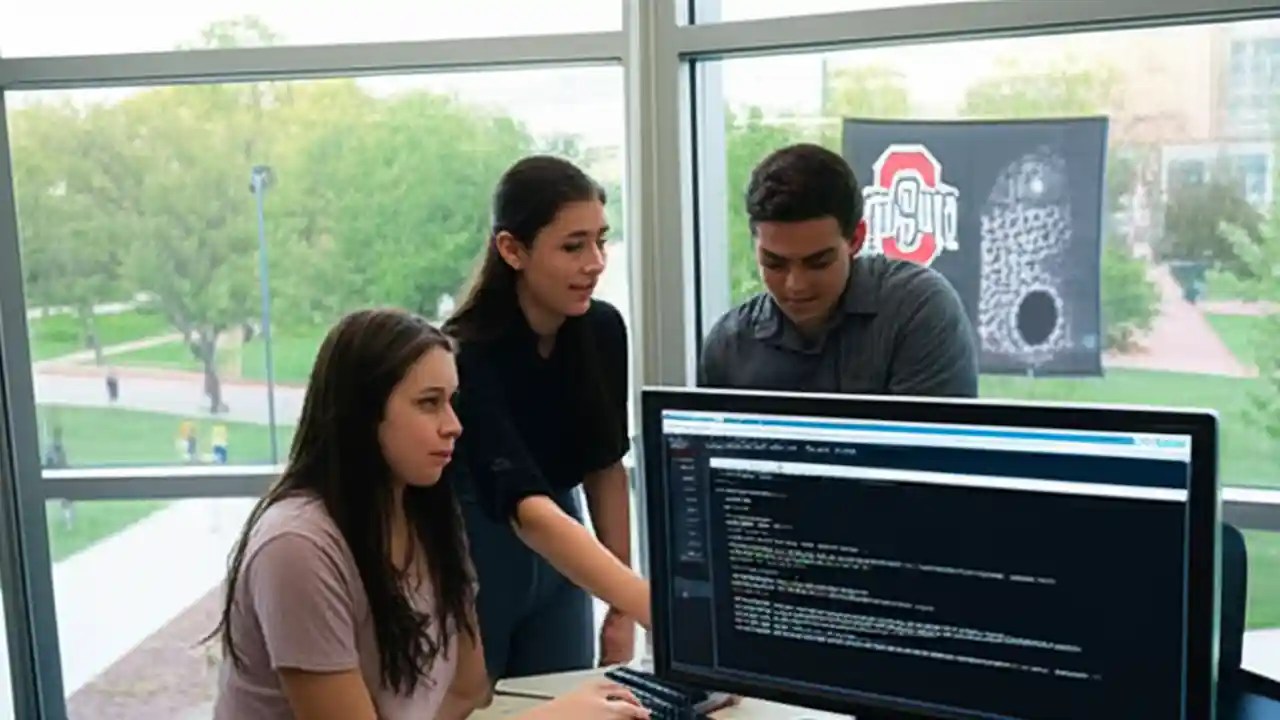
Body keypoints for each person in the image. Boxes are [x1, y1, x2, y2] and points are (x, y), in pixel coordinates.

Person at [209, 308, 650, 720]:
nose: (454, 425)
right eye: (428, 403)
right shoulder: (296, 548)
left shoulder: (428, 514)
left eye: (452, 401)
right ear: (362, 415)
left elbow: (465, 694)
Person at [443, 156, 649, 681]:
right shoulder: (465, 352)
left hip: (564, 552)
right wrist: (650, 605)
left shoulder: (601, 328)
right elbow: (523, 507)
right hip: (479, 552)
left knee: (567, 699)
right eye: (573, 246)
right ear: (512, 250)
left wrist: (621, 608)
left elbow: (604, 465)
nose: (596, 262)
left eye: (601, 240)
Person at [699, 143, 978, 397]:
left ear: (855, 239)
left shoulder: (918, 310)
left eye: (818, 263)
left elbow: (932, 450)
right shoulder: (729, 347)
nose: (796, 285)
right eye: (774, 263)